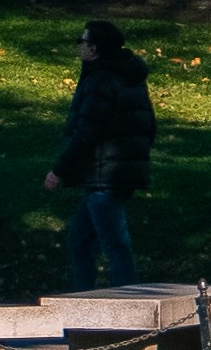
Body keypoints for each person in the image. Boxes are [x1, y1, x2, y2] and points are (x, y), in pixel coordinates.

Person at [43, 20, 155, 279]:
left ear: (94, 48)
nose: (79, 47)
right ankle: (85, 304)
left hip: (103, 174)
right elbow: (149, 126)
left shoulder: (100, 79)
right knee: (81, 241)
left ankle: (128, 306)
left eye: (83, 42)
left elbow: (86, 131)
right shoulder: (129, 76)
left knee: (114, 244)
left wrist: (58, 170)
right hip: (115, 173)